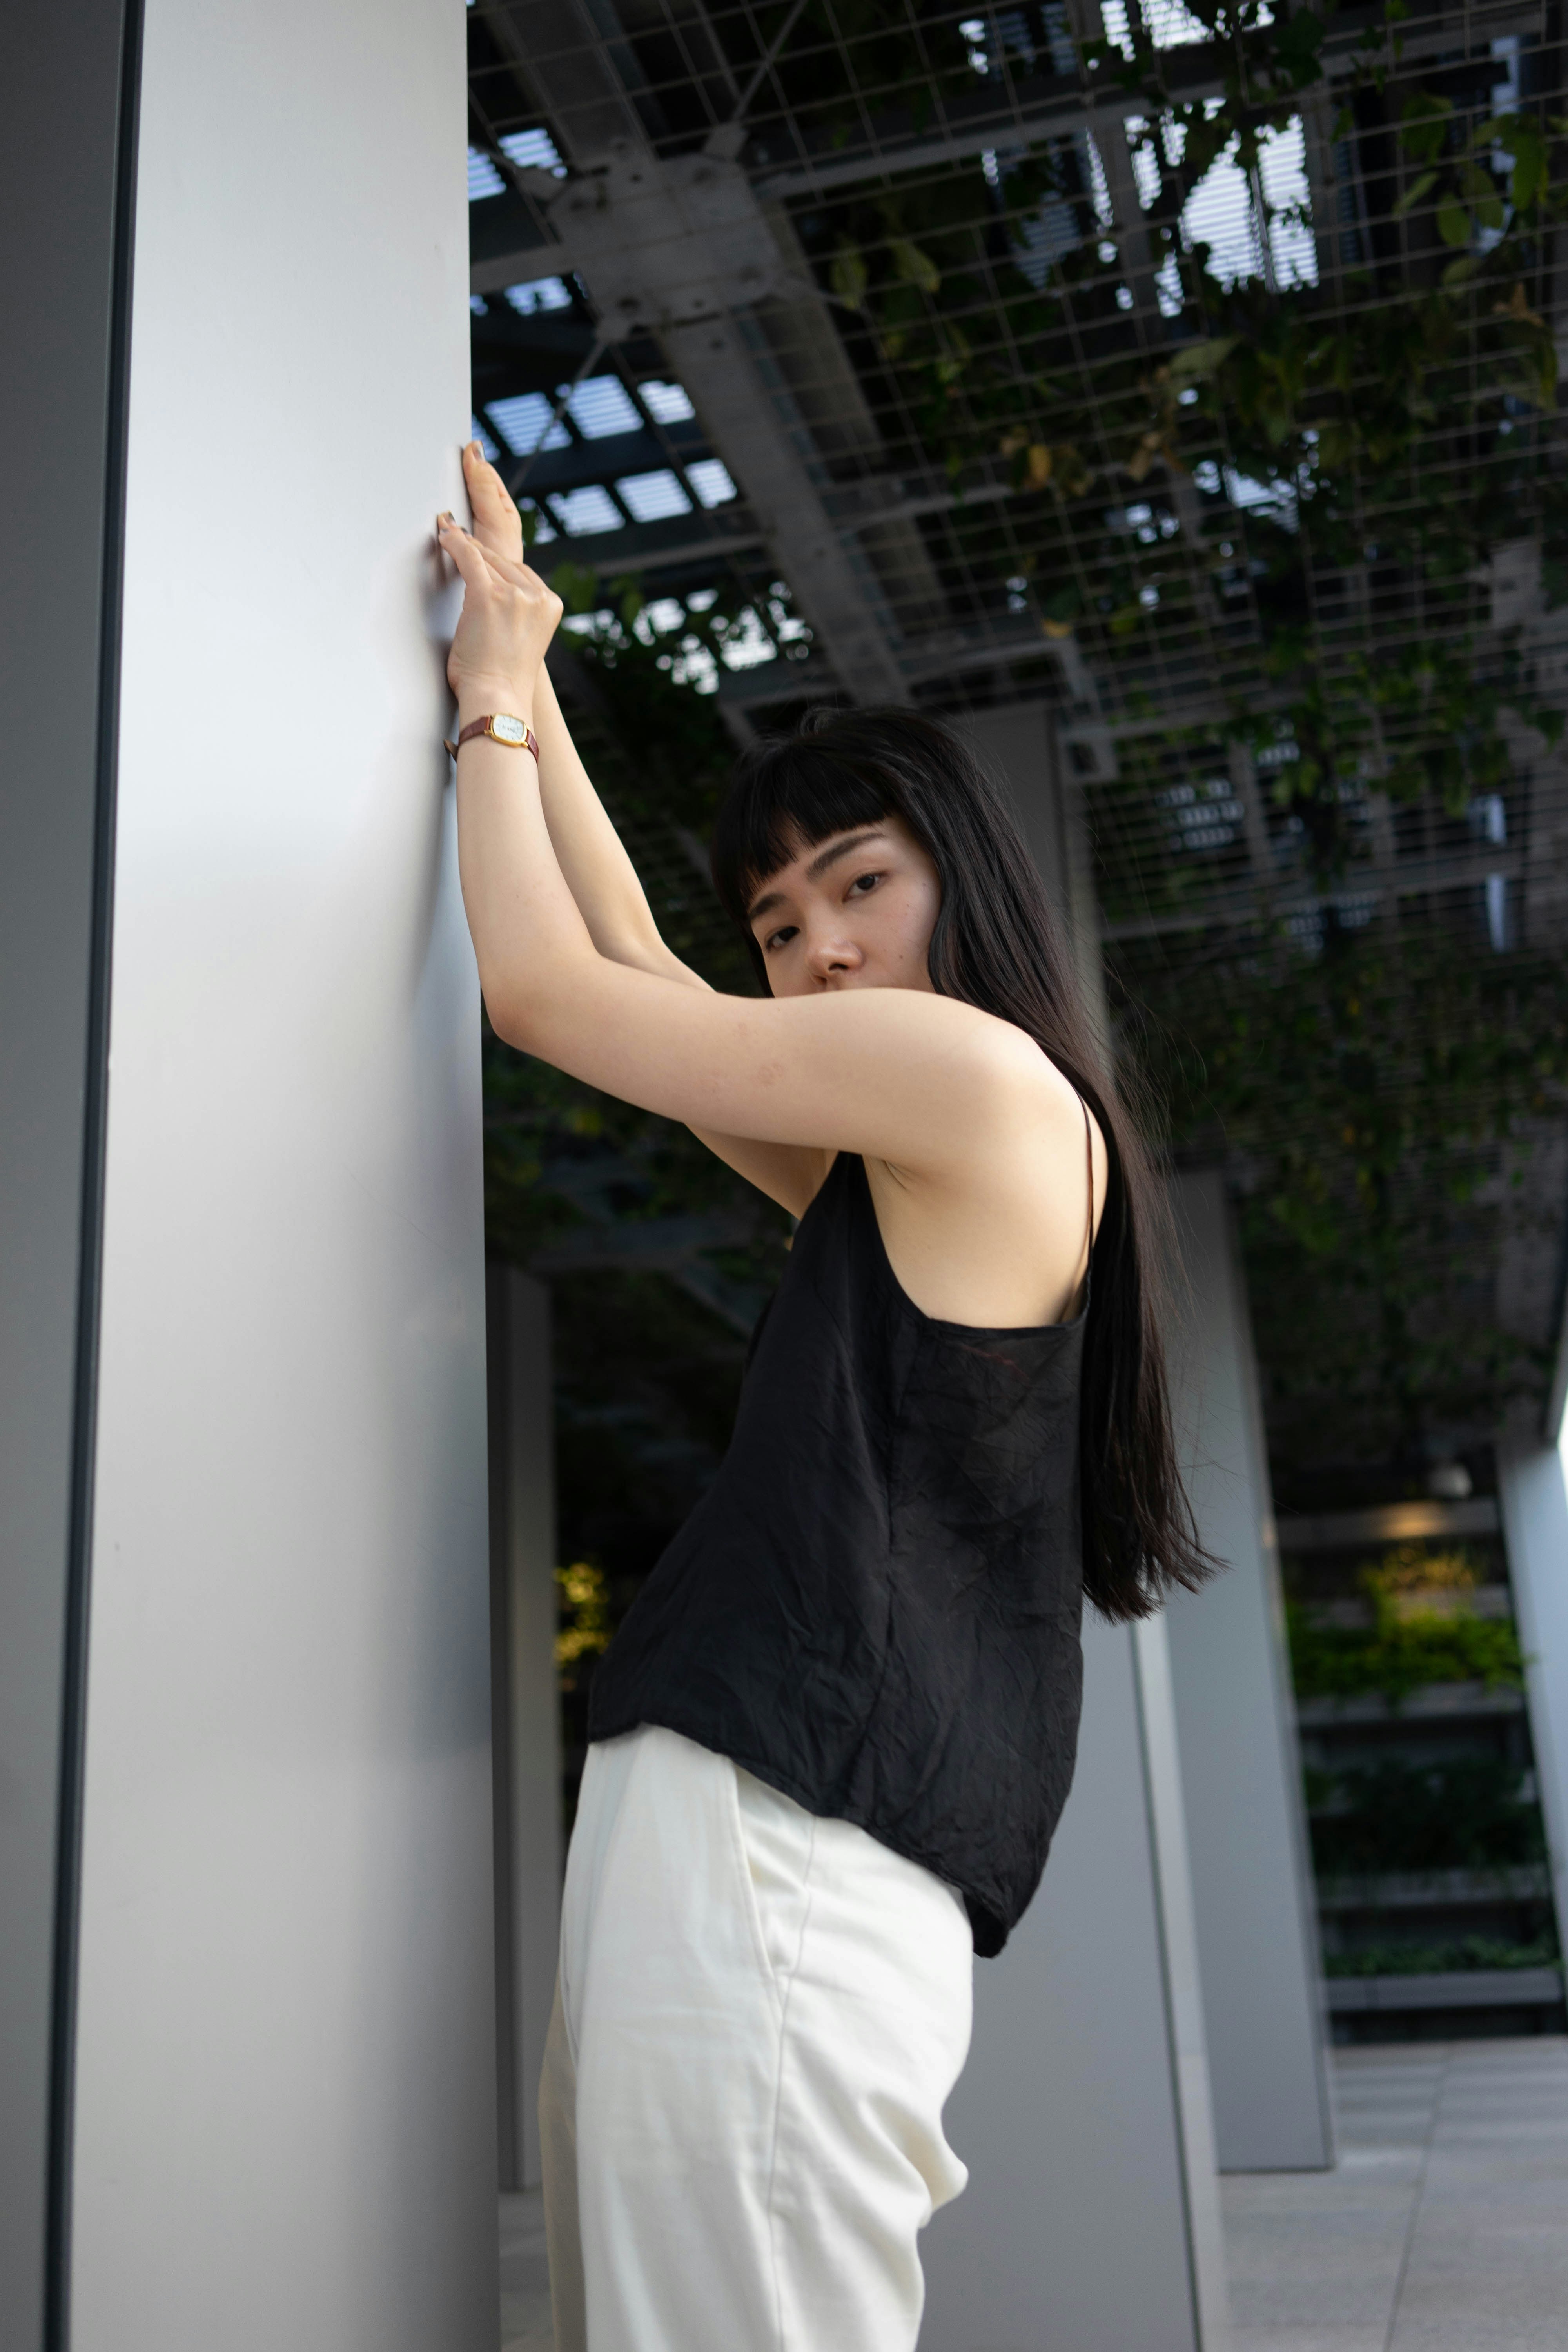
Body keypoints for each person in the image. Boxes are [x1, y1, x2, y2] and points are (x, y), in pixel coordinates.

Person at [438, 442, 1209, 2352]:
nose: (819, 950)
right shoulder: (934, 1155)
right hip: (774, 1857)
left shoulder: (973, 1087)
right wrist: (527, 681)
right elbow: (637, 974)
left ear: (970, 882)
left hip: (783, 1857)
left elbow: (536, 994)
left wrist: (475, 713)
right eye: (784, 928)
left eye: (859, 885)